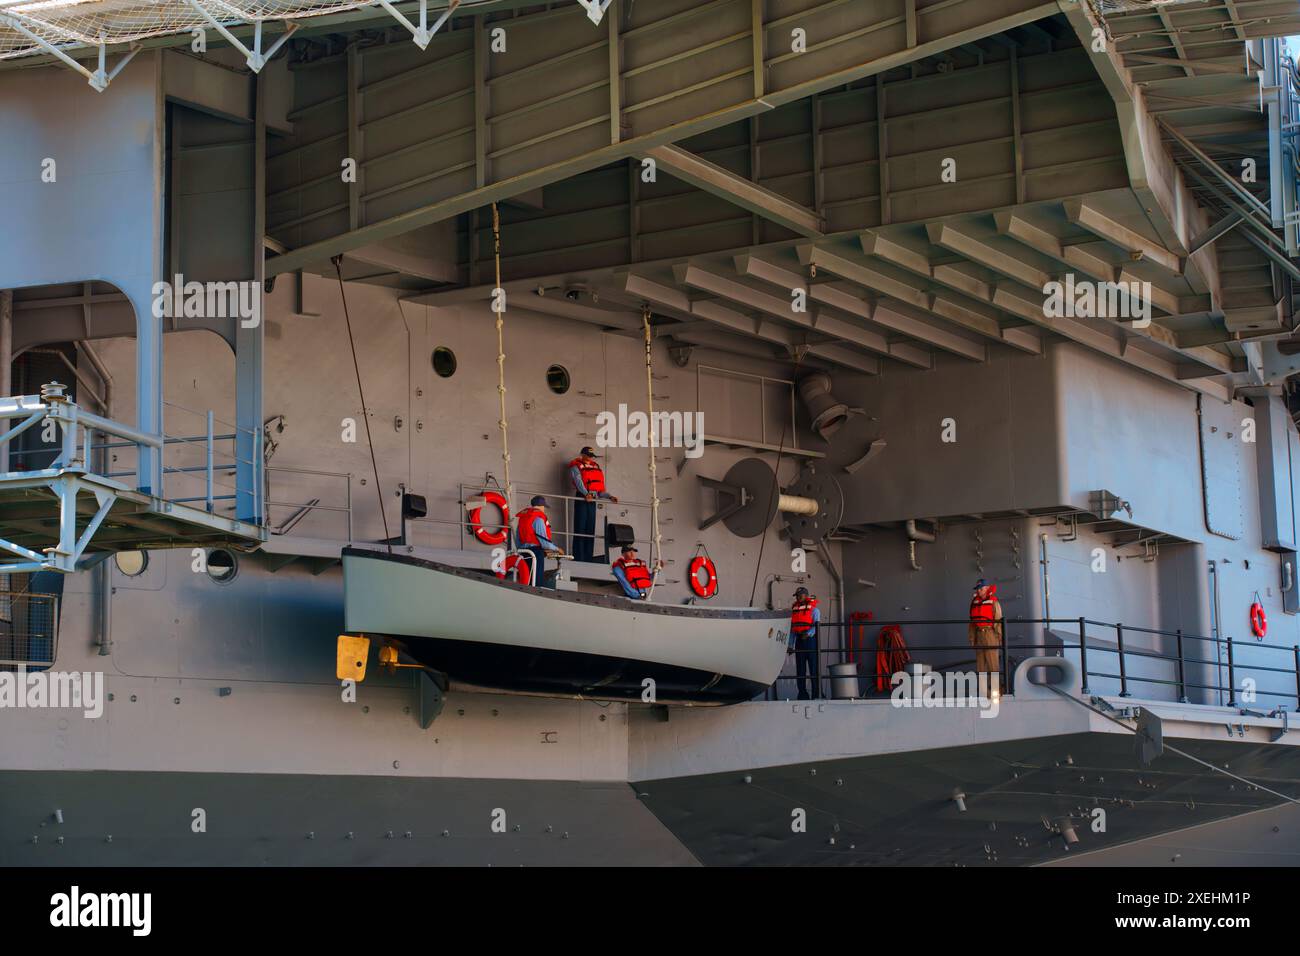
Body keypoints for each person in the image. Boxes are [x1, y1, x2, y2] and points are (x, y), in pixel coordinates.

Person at [568, 446, 617, 562]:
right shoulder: (576, 467)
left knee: (590, 529)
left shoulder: (596, 467)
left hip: (593, 499)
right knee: (580, 528)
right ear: (582, 455)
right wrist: (586, 494)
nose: (590, 458)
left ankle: (588, 558)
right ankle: (578, 558)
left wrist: (609, 496)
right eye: (588, 456)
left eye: (591, 456)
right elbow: (578, 482)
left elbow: (600, 490)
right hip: (582, 498)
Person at [516, 495, 564, 588]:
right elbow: (545, 543)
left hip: (524, 553)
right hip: (535, 553)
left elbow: (518, 541)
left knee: (526, 580)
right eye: (544, 507)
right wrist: (558, 549)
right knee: (536, 582)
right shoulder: (538, 520)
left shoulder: (522, 519)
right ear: (541, 506)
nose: (544, 509)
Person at [968, 578, 1004, 692]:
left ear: (987, 588)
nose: (979, 591)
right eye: (978, 589)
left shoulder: (993, 602)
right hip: (979, 634)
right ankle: (984, 692)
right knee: (980, 666)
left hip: (990, 633)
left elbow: (998, 620)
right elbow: (972, 623)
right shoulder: (974, 602)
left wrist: (999, 636)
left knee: (993, 664)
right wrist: (972, 638)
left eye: (981, 589)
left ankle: (996, 691)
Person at [789, 586, 820, 700]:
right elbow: (793, 630)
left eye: (799, 595)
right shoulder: (795, 611)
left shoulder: (815, 610)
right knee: (800, 670)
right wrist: (790, 645)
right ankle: (802, 694)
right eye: (796, 595)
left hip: (810, 641)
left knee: (813, 669)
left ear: (806, 595)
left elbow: (816, 626)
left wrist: (808, 633)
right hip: (799, 642)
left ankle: (816, 694)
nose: (797, 597)